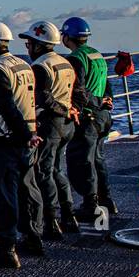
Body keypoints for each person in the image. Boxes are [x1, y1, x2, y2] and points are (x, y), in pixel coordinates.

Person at [0, 21, 42, 267]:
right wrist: (29, 135)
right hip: (27, 137)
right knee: (27, 190)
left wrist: (24, 134)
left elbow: (7, 107)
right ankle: (33, 236)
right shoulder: (23, 64)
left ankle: (5, 249)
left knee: (4, 195)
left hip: (6, 141)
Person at [20, 21, 80, 235]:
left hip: (50, 125)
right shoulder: (65, 62)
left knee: (44, 173)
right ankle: (69, 215)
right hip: (68, 125)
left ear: (38, 45)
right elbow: (79, 91)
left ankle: (52, 221)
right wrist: (72, 110)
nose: (27, 48)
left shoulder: (40, 66)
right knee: (57, 170)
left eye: (29, 44)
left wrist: (62, 111)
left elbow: (43, 98)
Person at [61, 17, 115, 221]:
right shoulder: (97, 55)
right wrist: (107, 101)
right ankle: (106, 199)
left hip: (89, 116)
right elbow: (106, 82)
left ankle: (91, 204)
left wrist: (96, 103)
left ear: (67, 37)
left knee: (83, 160)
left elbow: (80, 89)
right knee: (98, 158)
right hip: (103, 116)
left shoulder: (76, 58)